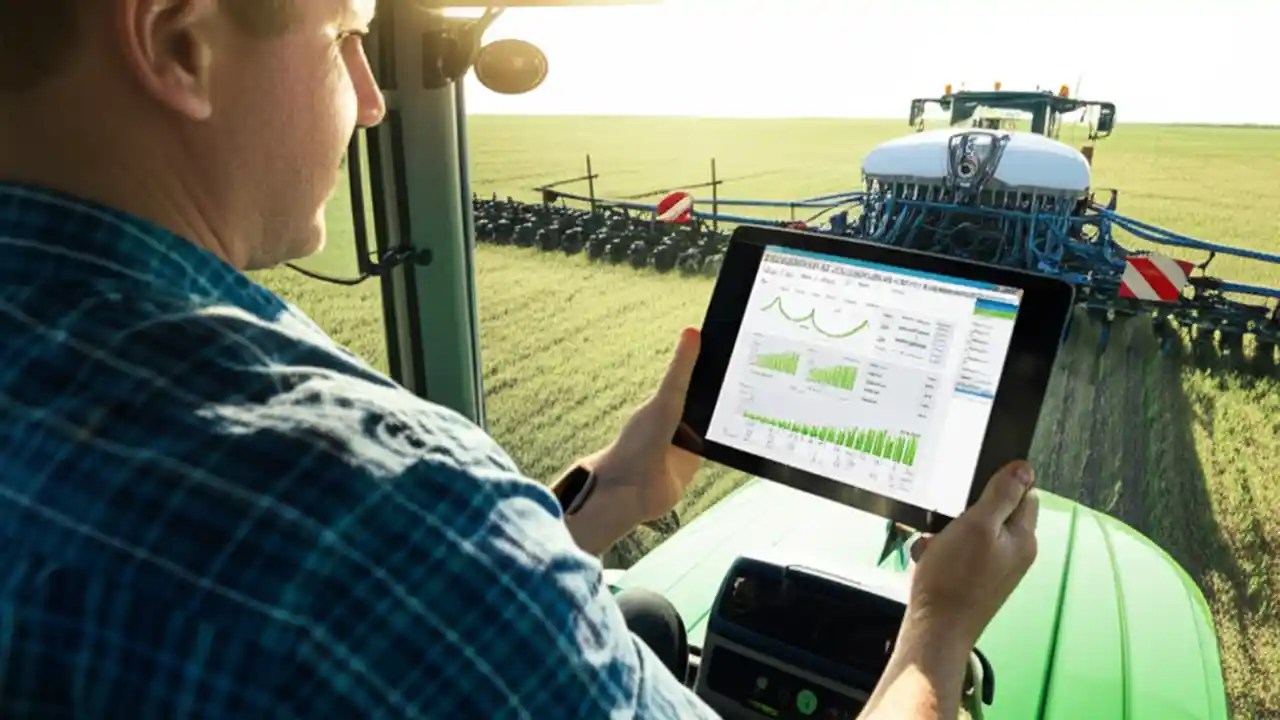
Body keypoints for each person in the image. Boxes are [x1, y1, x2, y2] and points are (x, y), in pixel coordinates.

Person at [0, 0, 1040, 717]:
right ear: (181, 45)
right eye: (346, 38)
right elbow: (401, 571)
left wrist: (614, 492)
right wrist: (939, 627)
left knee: (633, 607)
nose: (370, 98)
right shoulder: (372, 510)